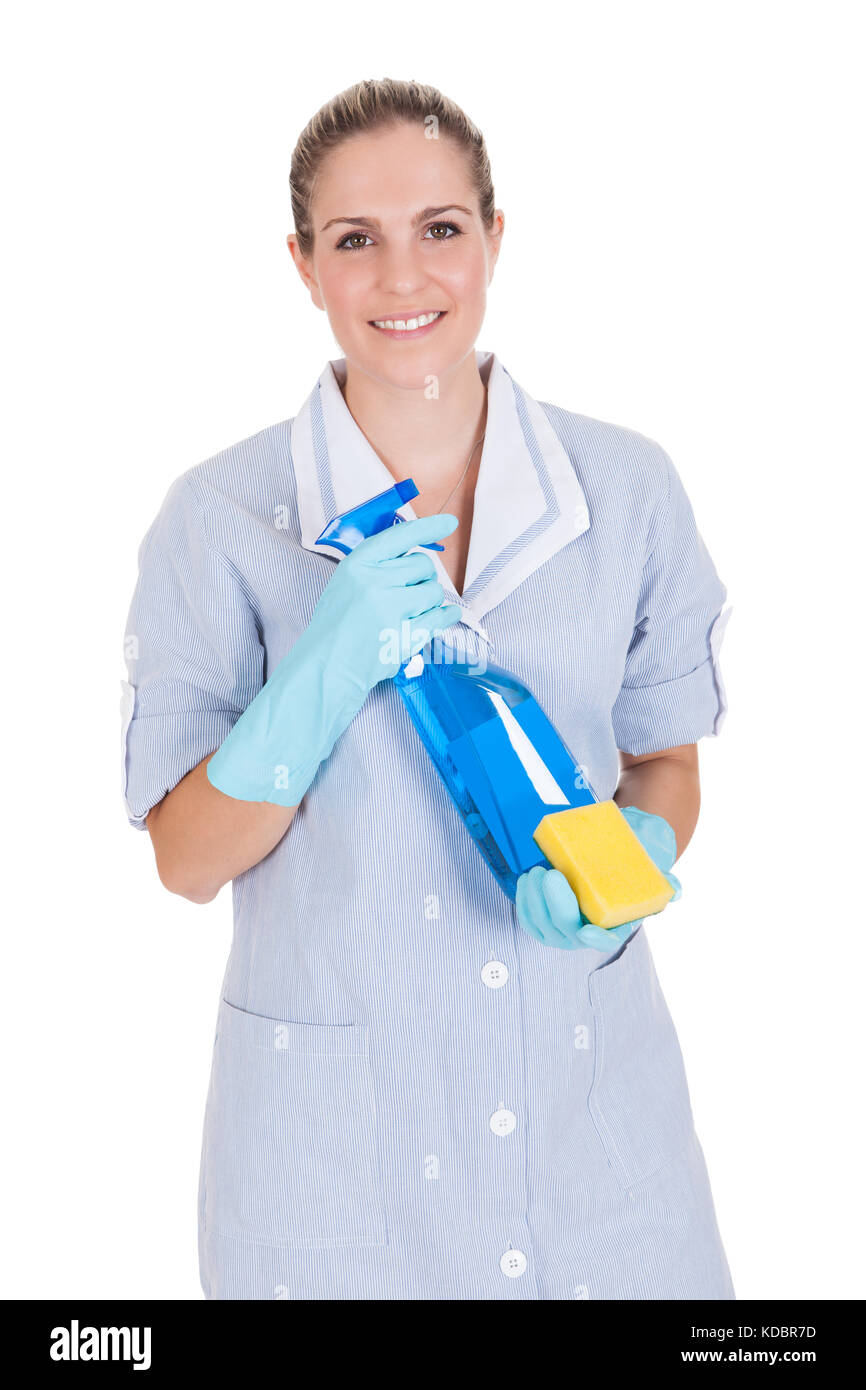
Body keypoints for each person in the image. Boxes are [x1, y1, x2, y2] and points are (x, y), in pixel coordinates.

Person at [120, 77, 735, 1301]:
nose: (403, 279)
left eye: (440, 229)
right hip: (333, 1159)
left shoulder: (625, 487)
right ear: (302, 265)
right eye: (355, 240)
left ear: (495, 240)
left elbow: (664, 756)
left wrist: (637, 851)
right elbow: (184, 859)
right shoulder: (221, 519)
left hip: (595, 1133)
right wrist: (319, 671)